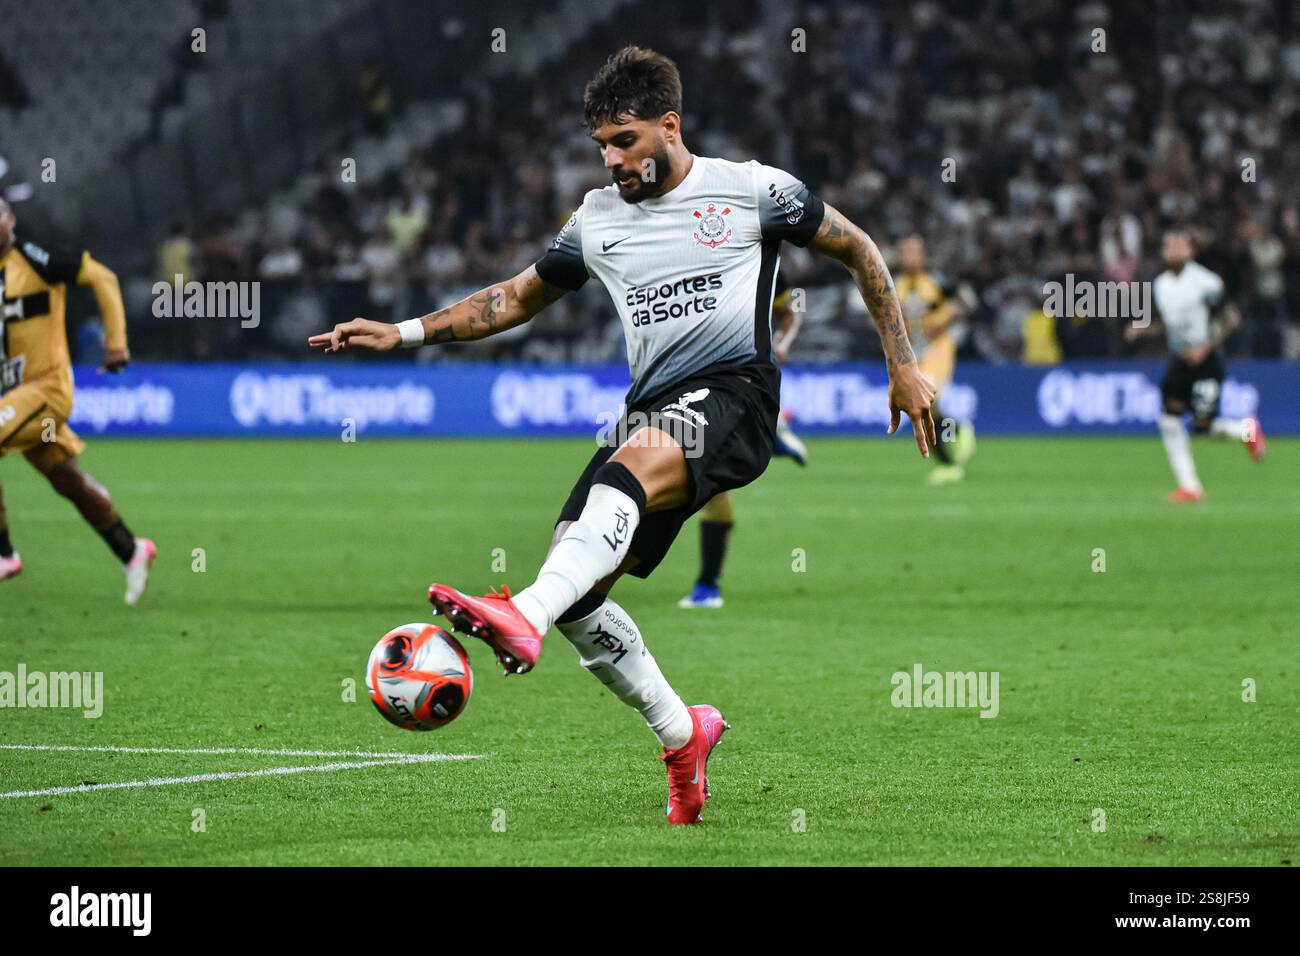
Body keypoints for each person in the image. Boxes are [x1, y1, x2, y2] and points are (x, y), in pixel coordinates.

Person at [310, 47, 935, 824]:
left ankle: (521, 616)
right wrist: (403, 333)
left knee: (617, 489)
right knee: (581, 582)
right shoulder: (596, 219)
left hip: (736, 395)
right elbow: (510, 300)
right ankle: (682, 732)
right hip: (651, 408)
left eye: (626, 140)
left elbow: (858, 248)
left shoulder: (752, 191)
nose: (612, 160)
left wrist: (902, 366)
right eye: (602, 145)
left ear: (669, 126)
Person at [0, 197, 156, 600]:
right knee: (69, 481)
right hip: (15, 403)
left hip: (46, 390)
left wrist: (116, 343)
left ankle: (3, 553)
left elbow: (102, 278)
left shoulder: (36, 258)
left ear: (10, 221)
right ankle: (131, 549)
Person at [677, 277, 806, 610]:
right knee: (699, 480)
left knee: (708, 483)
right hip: (684, 375)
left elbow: (790, 311)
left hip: (734, 381)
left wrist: (783, 343)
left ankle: (707, 585)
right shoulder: (685, 255)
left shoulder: (761, 254)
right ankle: (770, 436)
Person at [1127, 228, 1266, 502]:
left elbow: (1231, 320)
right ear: (1163, 252)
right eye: (1170, 245)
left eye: (1181, 245)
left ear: (1191, 252)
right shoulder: (1161, 284)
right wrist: (1144, 330)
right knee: (1169, 420)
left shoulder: (1207, 283)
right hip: (1179, 361)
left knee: (1204, 429)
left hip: (1206, 362)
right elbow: (1172, 324)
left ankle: (1246, 429)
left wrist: (1205, 348)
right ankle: (1190, 486)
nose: (1175, 249)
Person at [895, 235, 975, 484]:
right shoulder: (896, 286)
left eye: (914, 251)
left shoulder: (937, 281)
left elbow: (969, 304)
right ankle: (957, 436)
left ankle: (954, 449)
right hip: (915, 355)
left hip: (938, 350)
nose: (909, 256)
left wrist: (947, 316)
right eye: (905, 251)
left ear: (922, 255)